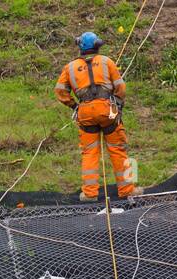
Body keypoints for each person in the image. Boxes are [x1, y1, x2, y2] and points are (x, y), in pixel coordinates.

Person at [55, 31, 142, 204]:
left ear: (80, 47)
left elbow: (60, 91)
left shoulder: (70, 67)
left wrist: (74, 105)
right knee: (118, 149)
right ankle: (127, 190)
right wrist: (117, 103)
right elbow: (120, 87)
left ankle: (89, 194)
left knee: (89, 152)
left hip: (85, 112)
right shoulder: (106, 61)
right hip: (108, 111)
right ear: (97, 46)